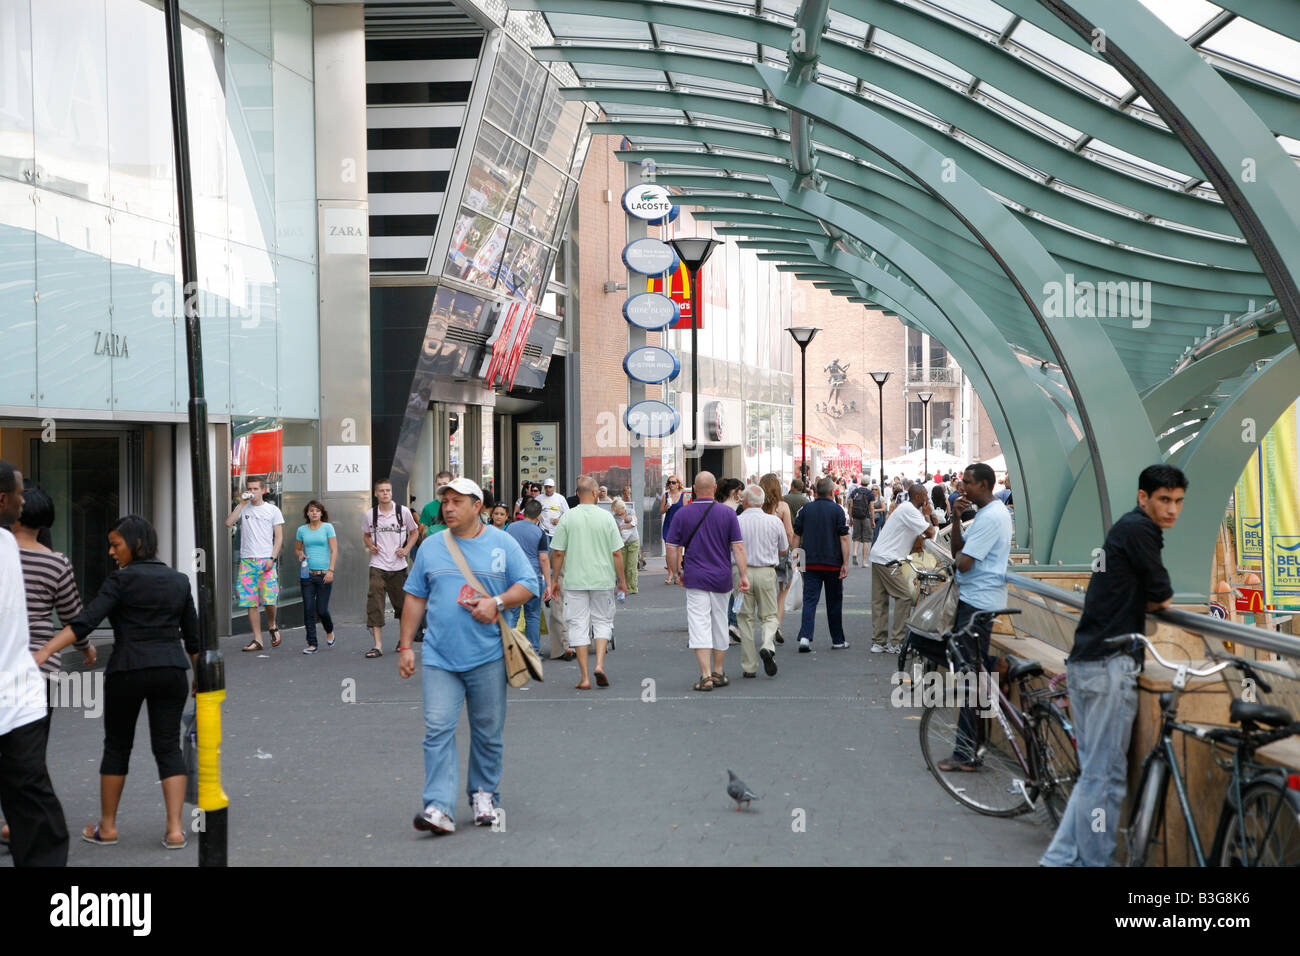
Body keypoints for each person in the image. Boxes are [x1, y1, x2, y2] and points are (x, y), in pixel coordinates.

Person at [1041, 464, 1185, 867]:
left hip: (1088, 663)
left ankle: (1060, 858)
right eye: (1164, 500)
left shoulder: (1126, 529)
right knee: (1104, 780)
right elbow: (1162, 596)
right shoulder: (1141, 531)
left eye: (1178, 502)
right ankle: (1094, 861)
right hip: (1108, 667)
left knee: (1093, 775)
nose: (1172, 509)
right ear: (1144, 498)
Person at [42, 515, 198, 851]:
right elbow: (195, 639)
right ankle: (174, 830)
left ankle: (108, 827)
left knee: (117, 746)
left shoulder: (120, 581)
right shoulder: (179, 581)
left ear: (136, 544)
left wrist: (43, 652)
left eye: (116, 544)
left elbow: (84, 622)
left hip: (128, 670)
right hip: (171, 670)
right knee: (168, 746)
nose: (112, 552)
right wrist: (200, 676)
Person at [397, 477, 538, 834]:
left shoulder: (502, 542)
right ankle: (438, 807)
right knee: (438, 729)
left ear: (478, 507)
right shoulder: (430, 546)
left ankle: (483, 794)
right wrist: (405, 646)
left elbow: (528, 585)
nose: (448, 507)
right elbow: (415, 596)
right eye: (445, 501)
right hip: (439, 656)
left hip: (489, 655)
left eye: (457, 501)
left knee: (488, 731)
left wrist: (497, 602)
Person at [0, 461, 70, 866]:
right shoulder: (45, 557)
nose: (23, 501)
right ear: (2, 499)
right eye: (18, 493)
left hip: (22, 694)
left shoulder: (10, 545)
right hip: (25, 685)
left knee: (31, 793)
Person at [936, 462, 1013, 773]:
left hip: (978, 604)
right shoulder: (983, 515)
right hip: (976, 600)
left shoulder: (992, 517)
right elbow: (959, 549)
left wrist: (956, 560)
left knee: (970, 679)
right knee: (971, 673)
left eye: (967, 482)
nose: (962, 486)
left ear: (984, 484)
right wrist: (955, 518)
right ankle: (971, 750)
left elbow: (964, 563)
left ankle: (965, 753)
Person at [665, 472, 748, 691]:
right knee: (720, 622)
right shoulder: (728, 514)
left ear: (693, 488)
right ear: (714, 488)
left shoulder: (682, 514)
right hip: (722, 578)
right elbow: (738, 547)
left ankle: (705, 676)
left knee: (699, 624)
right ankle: (719, 671)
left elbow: (672, 547)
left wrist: (675, 573)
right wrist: (744, 575)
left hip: (695, 578)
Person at [548, 477, 627, 690]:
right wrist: (622, 581)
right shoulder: (606, 518)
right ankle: (599, 664)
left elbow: (557, 552)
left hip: (574, 580)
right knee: (602, 622)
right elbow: (617, 553)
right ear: (594, 493)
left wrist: (554, 580)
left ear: (578, 493)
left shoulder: (567, 517)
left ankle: (584, 677)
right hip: (602, 579)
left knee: (577, 624)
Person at [869, 484, 937, 653]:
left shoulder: (906, 508)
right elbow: (930, 532)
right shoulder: (910, 510)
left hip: (879, 555)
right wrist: (928, 515)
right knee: (905, 596)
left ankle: (879, 641)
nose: (927, 498)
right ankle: (897, 641)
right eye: (925, 495)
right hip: (889, 558)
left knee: (880, 600)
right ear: (918, 497)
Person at [791, 476, 851, 651]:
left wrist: (796, 561)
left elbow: (796, 536)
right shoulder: (838, 511)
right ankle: (837, 640)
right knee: (834, 601)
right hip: (833, 563)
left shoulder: (805, 509)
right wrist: (845, 563)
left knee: (810, 600)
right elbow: (844, 538)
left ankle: (805, 637)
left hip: (810, 563)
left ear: (815, 492)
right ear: (833, 492)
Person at [225, 477, 284, 652]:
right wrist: (241, 504)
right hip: (247, 560)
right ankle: (258, 639)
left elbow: (279, 537)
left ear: (263, 490)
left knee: (269, 599)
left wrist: (272, 558)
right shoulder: (243, 508)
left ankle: (272, 624)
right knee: (250, 602)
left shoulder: (272, 510)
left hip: (266, 559)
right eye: (250, 488)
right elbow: (228, 523)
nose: (252, 491)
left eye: (256, 489)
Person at [363, 478, 419, 659]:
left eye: (388, 490)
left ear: (392, 492)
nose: (385, 493)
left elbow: (415, 531)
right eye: (382, 491)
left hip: (398, 566)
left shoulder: (402, 512)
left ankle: (403, 641)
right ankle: (377, 645)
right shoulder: (370, 515)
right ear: (376, 493)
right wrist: (370, 545)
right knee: (375, 604)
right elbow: (365, 535)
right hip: (377, 565)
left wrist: (407, 549)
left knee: (402, 605)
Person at [736, 484, 787, 678]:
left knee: (745, 618)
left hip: (741, 572)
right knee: (769, 615)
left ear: (746, 501)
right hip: (766, 571)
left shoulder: (736, 520)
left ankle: (749, 666)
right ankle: (767, 645)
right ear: (762, 501)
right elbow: (783, 549)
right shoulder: (774, 521)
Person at [504, 498, 551, 655]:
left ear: (523, 512)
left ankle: (507, 649)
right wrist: (549, 584)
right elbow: (543, 559)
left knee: (512, 614)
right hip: (532, 577)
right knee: (532, 615)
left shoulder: (510, 528)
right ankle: (532, 651)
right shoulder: (540, 533)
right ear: (538, 516)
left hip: (512, 576)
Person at [295, 500, 337, 654]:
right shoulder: (302, 530)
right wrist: (300, 554)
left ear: (321, 513)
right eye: (311, 510)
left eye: (317, 510)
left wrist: (331, 570)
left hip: (324, 574)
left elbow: (334, 550)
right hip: (307, 575)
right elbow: (297, 549)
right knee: (308, 609)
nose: (314, 513)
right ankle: (312, 643)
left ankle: (329, 630)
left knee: (322, 610)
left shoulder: (328, 527)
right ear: (307, 513)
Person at [759, 473, 796, 645]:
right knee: (783, 591)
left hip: (762, 554)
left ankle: (767, 624)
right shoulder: (782, 506)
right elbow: (789, 532)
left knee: (766, 592)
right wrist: (793, 552)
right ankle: (777, 626)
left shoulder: (756, 505)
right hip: (780, 554)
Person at [660, 475, 687, 584]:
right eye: (669, 482)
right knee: (669, 550)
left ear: (678, 484)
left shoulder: (683, 496)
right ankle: (670, 574)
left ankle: (677, 575)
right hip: (668, 525)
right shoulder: (665, 495)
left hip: (679, 526)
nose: (671, 484)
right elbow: (661, 511)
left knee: (679, 551)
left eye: (674, 482)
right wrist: (666, 508)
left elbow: (686, 513)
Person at [611, 496, 640, 595]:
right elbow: (616, 530)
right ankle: (623, 586)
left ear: (622, 508)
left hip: (633, 541)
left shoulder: (631, 511)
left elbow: (635, 522)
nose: (616, 512)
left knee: (631, 565)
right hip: (621, 543)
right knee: (622, 566)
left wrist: (624, 526)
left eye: (617, 510)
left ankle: (632, 587)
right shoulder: (615, 517)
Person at [420, 471, 456, 541]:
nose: (442, 487)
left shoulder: (458, 505)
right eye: (439, 484)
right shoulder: (428, 507)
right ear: (436, 485)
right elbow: (424, 533)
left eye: (445, 484)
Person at [848, 480, 875, 567]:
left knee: (856, 537)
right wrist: (873, 520)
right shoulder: (870, 493)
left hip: (856, 517)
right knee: (866, 539)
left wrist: (850, 518)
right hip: (866, 517)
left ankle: (855, 552)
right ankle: (864, 562)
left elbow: (851, 506)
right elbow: (872, 508)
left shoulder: (855, 492)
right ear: (867, 483)